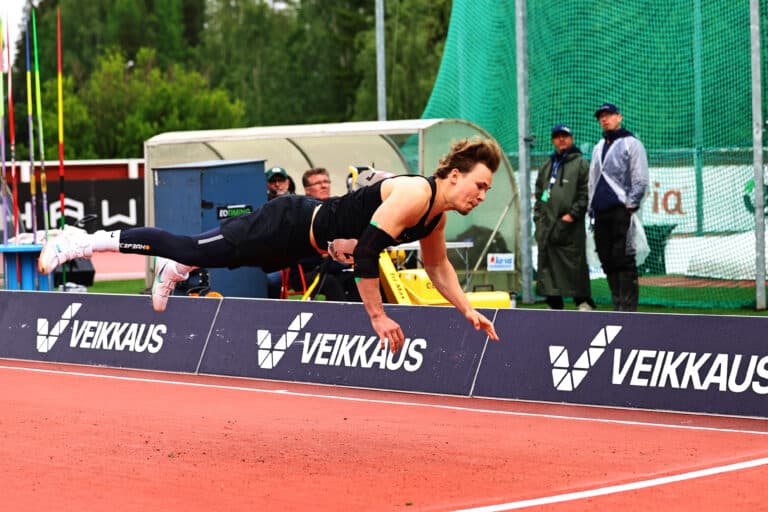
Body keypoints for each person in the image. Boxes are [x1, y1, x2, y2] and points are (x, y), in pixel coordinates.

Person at [39, 137, 502, 351]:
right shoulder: (416, 193)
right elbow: (365, 254)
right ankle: (84, 240)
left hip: (301, 246)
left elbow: (440, 270)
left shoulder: (434, 218)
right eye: (479, 186)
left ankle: (174, 271)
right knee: (191, 248)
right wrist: (377, 316)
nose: (480, 197)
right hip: (291, 221)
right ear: (454, 174)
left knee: (210, 254)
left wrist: (466, 310)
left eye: (486, 192)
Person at [588, 103, 649, 311]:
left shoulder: (631, 143)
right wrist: (591, 208)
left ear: (619, 117)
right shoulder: (598, 147)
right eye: (601, 117)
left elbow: (640, 178)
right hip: (600, 213)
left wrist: (630, 205)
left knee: (623, 258)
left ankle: (628, 308)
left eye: (609, 115)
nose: (604, 119)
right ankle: (618, 303)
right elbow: (592, 181)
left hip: (620, 211)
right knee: (606, 258)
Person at [534, 124, 595, 311]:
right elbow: (540, 194)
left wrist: (571, 215)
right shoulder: (547, 166)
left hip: (571, 227)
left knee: (575, 264)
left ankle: (582, 301)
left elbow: (585, 193)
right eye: (557, 136)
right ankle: (554, 302)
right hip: (548, 225)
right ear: (553, 140)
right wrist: (539, 217)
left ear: (572, 139)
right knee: (548, 266)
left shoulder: (581, 164)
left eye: (565, 136)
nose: (561, 140)